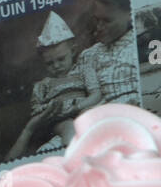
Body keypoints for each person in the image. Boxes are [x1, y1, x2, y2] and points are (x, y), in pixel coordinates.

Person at [6, 12, 98, 159]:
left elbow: (96, 94)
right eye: (50, 63)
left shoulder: (83, 71)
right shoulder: (44, 84)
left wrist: (78, 107)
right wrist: (48, 109)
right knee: (68, 126)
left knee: (90, 120)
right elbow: (36, 109)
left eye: (61, 59)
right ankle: (73, 157)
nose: (56, 66)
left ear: (73, 51)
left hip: (82, 109)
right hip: (59, 119)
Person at [78, 0, 139, 105]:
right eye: (97, 20)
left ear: (129, 14)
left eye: (107, 21)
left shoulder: (142, 45)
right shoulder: (90, 55)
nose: (99, 27)